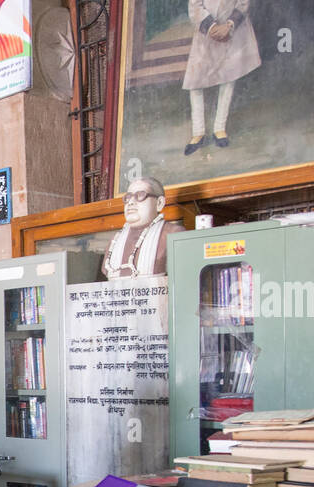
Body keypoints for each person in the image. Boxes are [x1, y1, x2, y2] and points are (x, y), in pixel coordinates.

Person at [182, 0, 260, 154]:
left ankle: (219, 128)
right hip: (207, 34)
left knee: (228, 78)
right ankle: (198, 132)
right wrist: (211, 27)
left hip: (231, 32)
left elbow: (243, 3)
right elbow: (195, 5)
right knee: (195, 82)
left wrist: (229, 25)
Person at [101, 176, 186, 279]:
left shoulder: (172, 234)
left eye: (140, 195)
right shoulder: (115, 240)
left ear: (159, 203)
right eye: (128, 197)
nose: (131, 202)